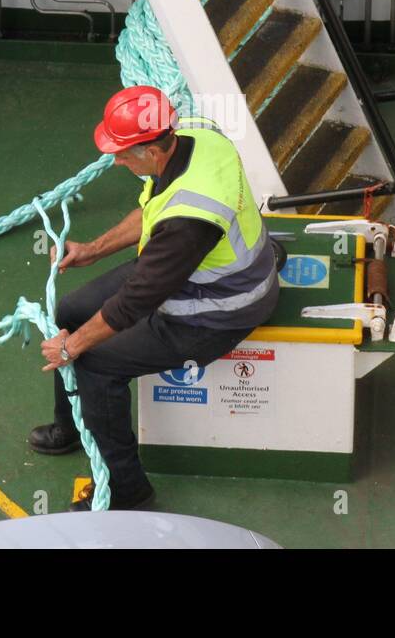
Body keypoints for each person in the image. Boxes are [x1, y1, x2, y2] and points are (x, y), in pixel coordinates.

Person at [34, 85, 282, 511]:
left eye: (124, 152)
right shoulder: (197, 137)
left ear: (152, 150)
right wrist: (91, 250)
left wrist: (71, 347)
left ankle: (127, 489)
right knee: (70, 310)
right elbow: (153, 212)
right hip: (184, 273)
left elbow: (134, 301)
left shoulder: (190, 221)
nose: (116, 160)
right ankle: (73, 424)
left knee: (94, 362)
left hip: (213, 312)